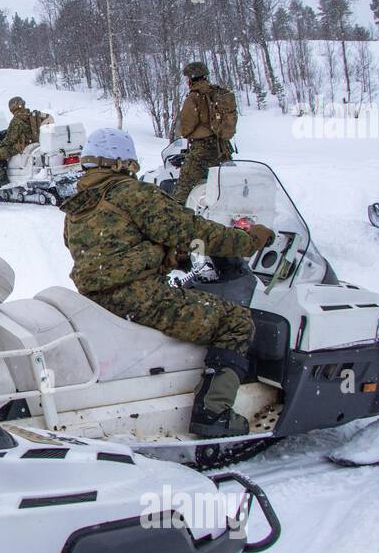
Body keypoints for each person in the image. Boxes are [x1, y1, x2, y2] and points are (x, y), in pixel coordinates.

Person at [61, 127, 273, 438]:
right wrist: (249, 240)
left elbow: (110, 251)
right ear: (123, 161)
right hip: (138, 299)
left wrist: (168, 257)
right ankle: (213, 413)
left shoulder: (79, 206)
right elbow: (194, 230)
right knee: (236, 321)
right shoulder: (133, 194)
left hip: (95, 300)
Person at [171, 61, 236, 204]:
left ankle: (177, 221)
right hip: (223, 149)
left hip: (202, 151)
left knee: (182, 190)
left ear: (190, 78)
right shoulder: (219, 93)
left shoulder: (194, 97)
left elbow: (186, 128)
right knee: (226, 187)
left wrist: (182, 129)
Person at [0, 96, 50, 188]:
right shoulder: (34, 115)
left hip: (22, 146)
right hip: (37, 144)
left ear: (12, 107)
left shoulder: (17, 119)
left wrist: (2, 145)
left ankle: (2, 179)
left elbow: (10, 139)